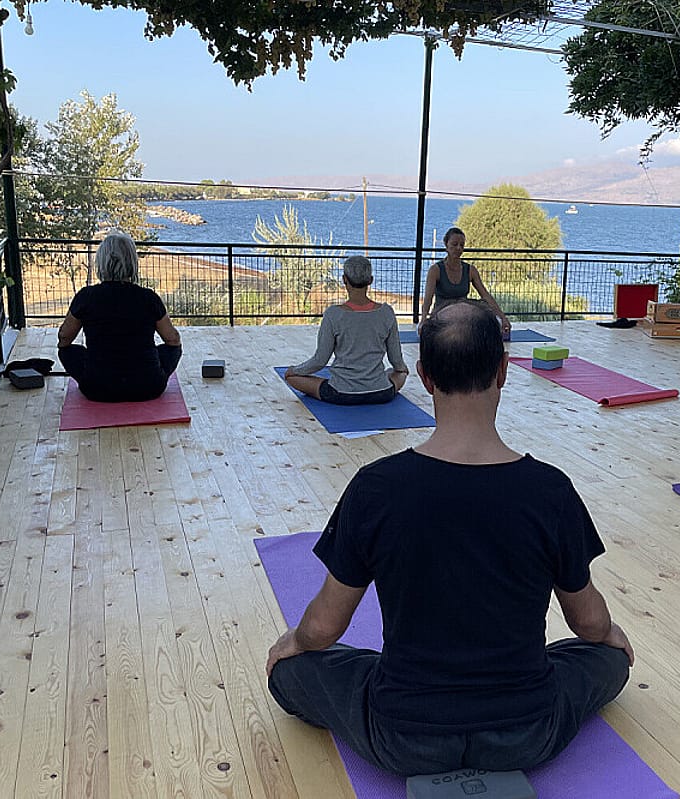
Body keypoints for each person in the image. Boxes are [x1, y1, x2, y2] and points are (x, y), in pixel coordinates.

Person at [265, 302, 633, 777]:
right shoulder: (550, 490)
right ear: (503, 370)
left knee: (292, 668)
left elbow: (323, 629)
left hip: (403, 735)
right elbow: (588, 622)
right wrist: (610, 637)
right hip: (526, 731)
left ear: (424, 375)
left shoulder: (377, 487)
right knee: (607, 657)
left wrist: (292, 642)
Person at [57, 231, 182, 402]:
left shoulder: (86, 296)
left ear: (101, 263)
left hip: (97, 388)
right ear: (132, 262)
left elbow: (64, 339)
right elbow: (173, 340)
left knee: (68, 352)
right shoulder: (148, 298)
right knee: (168, 351)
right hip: (148, 387)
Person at [284, 255, 409, 404]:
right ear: (370, 280)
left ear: (344, 280)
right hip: (381, 392)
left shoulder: (333, 314)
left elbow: (320, 360)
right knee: (397, 373)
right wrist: (402, 369)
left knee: (291, 377)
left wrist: (295, 370)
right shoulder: (386, 312)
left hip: (341, 393)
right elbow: (396, 360)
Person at [419, 226, 512, 337]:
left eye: (461, 245)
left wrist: (503, 318)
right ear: (446, 245)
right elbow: (428, 299)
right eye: (454, 244)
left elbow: (486, 295)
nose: (458, 248)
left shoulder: (470, 270)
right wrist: (423, 320)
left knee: (484, 311)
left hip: (462, 314)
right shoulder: (436, 270)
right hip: (442, 315)